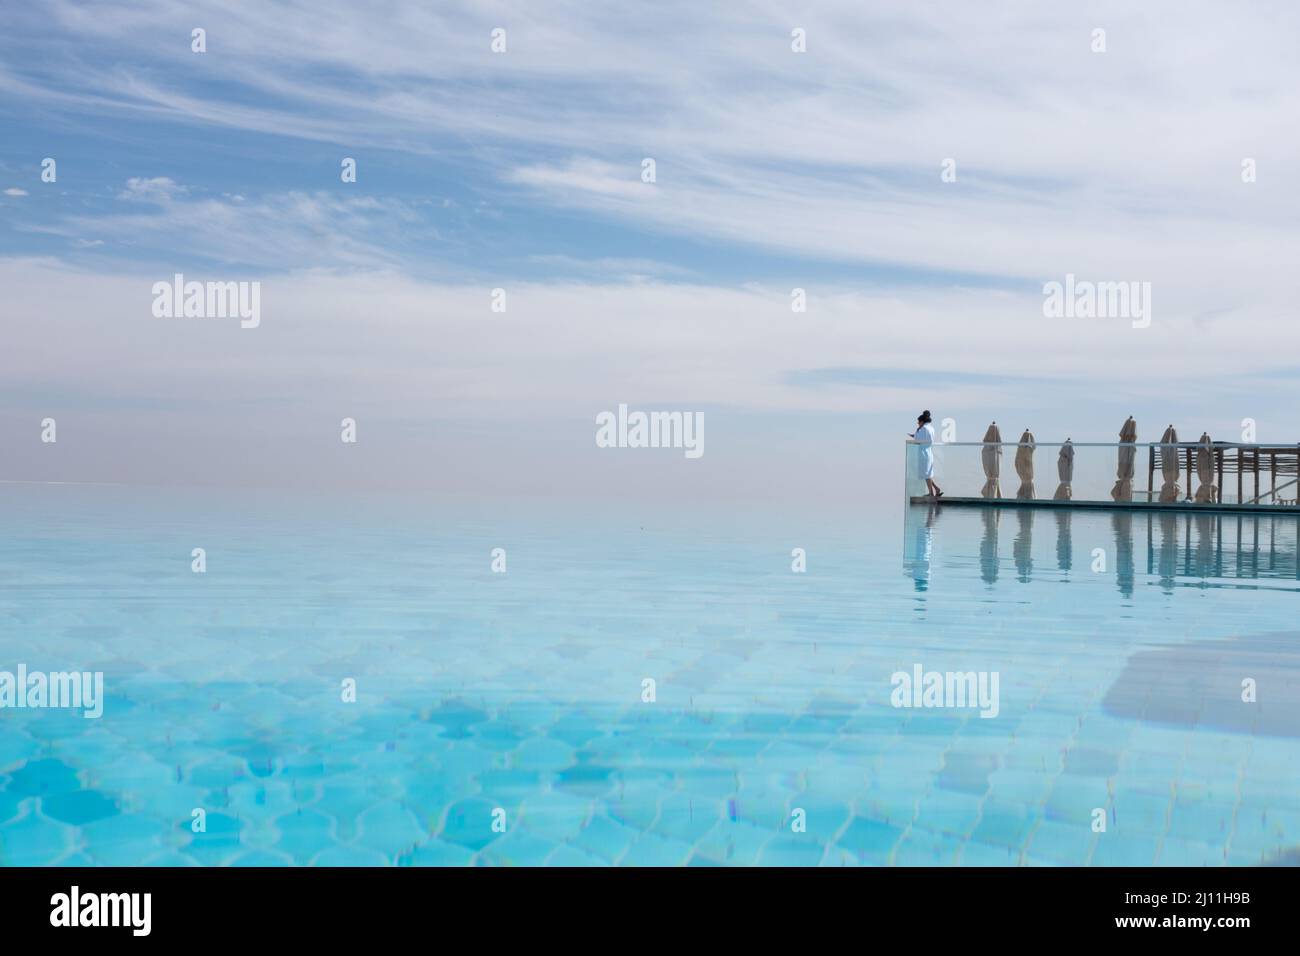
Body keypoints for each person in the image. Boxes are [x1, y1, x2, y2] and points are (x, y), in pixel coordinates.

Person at [910, 410, 943, 499]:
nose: (918, 424)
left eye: (918, 422)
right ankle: (935, 489)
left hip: (924, 453)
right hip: (929, 452)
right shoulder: (931, 428)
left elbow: (917, 440)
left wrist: (917, 431)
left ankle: (932, 493)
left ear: (922, 422)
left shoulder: (923, 429)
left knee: (926, 474)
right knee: (927, 474)